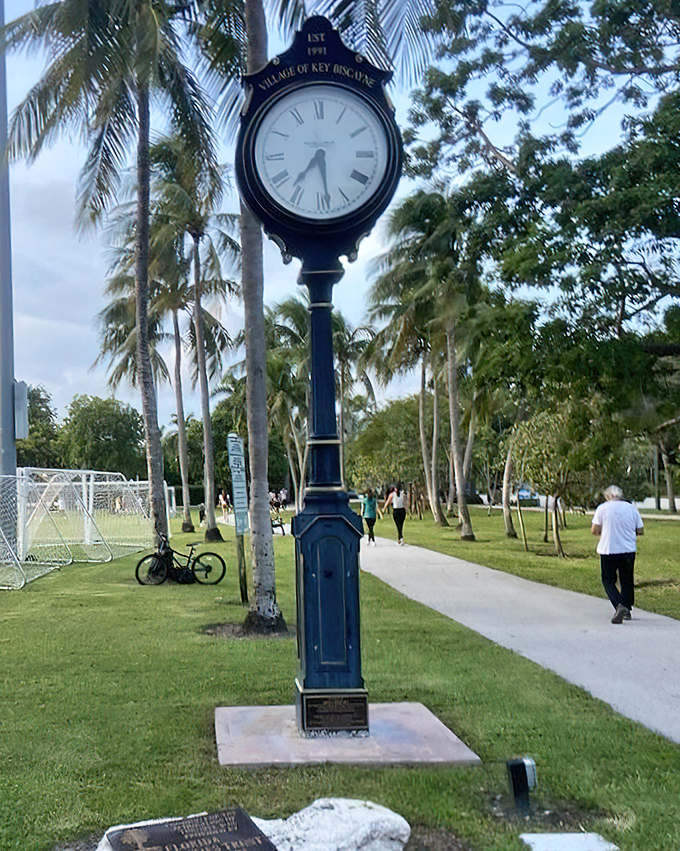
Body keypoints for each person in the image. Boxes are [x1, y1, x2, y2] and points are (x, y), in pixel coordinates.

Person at [591, 485, 644, 624]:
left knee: (608, 580)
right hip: (628, 550)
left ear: (608, 496)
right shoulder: (631, 508)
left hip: (609, 549)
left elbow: (594, 529)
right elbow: (640, 529)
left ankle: (619, 605)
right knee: (626, 580)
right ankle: (626, 608)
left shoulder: (603, 508)